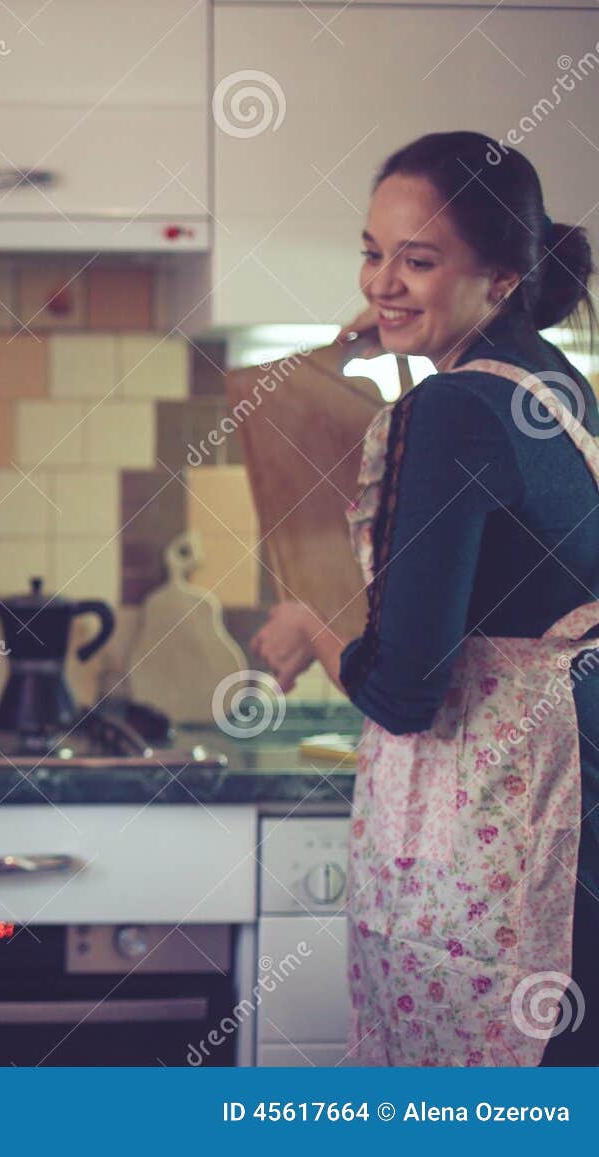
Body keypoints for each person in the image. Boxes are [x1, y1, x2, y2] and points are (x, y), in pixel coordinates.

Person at [251, 131, 599, 1065]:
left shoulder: (449, 412)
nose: (380, 282)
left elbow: (405, 688)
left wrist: (308, 625)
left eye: (419, 259)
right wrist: (400, 331)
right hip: (572, 824)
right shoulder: (558, 389)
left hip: (489, 843)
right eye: (373, 252)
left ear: (499, 275)